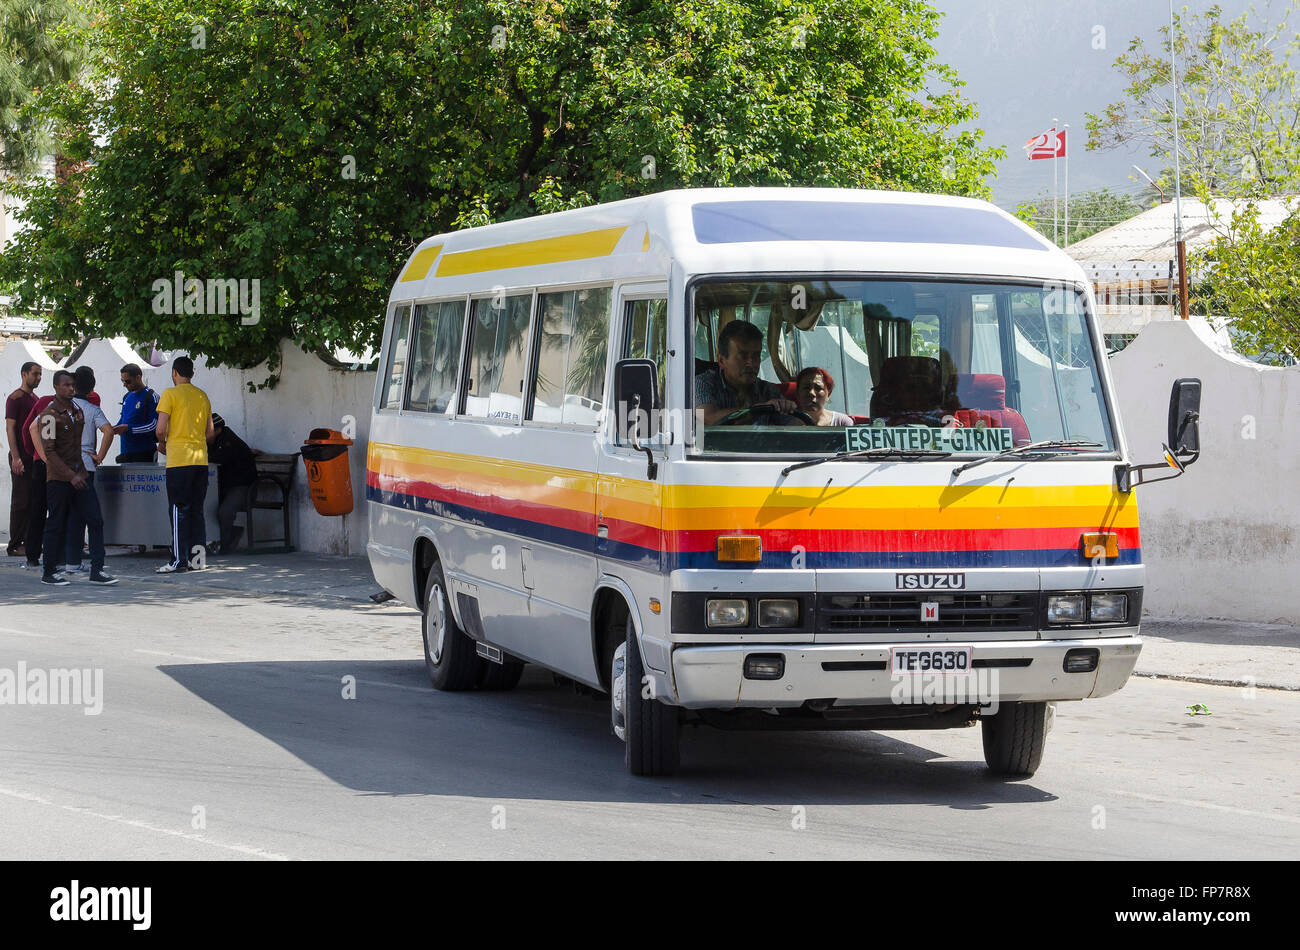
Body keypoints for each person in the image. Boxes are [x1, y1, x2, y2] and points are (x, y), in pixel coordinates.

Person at [33, 371, 116, 586]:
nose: (70, 388)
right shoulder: (50, 415)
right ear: (56, 387)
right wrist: (71, 476)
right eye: (66, 385)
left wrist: (81, 473)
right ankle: (49, 571)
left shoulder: (78, 411)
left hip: (80, 475)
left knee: (95, 520)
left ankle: (97, 570)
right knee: (56, 523)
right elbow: (50, 452)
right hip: (59, 479)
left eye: (72, 385)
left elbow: (75, 449)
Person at [155, 355, 214, 573]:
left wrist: (163, 443)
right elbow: (210, 433)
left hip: (179, 461)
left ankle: (178, 561)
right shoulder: (202, 396)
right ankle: (198, 560)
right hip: (200, 460)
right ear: (192, 373)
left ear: (174, 373)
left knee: (178, 510)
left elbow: (160, 429)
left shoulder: (169, 394)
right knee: (197, 511)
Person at [694, 320, 799, 426]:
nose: (751, 363)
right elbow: (708, 418)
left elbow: (795, 425)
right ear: (721, 361)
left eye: (756, 355)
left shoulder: (768, 391)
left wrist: (789, 410)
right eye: (743, 356)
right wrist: (757, 410)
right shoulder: (702, 384)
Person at [63, 367, 116, 577]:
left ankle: (70, 562)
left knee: (70, 516)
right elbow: (109, 431)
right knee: (92, 518)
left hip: (63, 467)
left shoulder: (58, 407)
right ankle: (97, 567)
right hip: (86, 466)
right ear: (92, 388)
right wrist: (100, 455)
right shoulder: (91, 409)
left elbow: (33, 428)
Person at [206, 413, 258, 553]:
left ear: (217, 430)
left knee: (225, 512)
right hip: (225, 487)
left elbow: (215, 459)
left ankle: (225, 545)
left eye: (206, 431)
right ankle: (231, 534)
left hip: (243, 487)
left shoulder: (228, 442)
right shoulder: (214, 441)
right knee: (205, 508)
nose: (203, 434)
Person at [20, 384, 58, 570]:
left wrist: (35, 453)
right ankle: (40, 554)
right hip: (49, 463)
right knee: (45, 509)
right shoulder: (49, 404)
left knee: (40, 509)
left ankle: (34, 555)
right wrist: (38, 455)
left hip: (45, 462)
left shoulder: (64, 405)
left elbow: (28, 429)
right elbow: (29, 428)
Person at [5, 361, 42, 557]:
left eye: (40, 374)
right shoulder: (15, 398)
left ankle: (29, 542)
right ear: (24, 374)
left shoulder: (35, 398)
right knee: (20, 501)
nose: (38, 378)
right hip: (20, 455)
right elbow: (10, 428)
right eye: (35, 374)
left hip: (33, 456)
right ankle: (14, 544)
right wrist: (16, 457)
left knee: (32, 500)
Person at [113, 363, 161, 462]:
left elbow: (154, 425)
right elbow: (123, 419)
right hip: (126, 451)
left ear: (138, 377)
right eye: (122, 381)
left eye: (128, 381)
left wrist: (129, 429)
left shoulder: (151, 396)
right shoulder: (127, 397)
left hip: (144, 452)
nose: (124, 384)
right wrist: (113, 428)